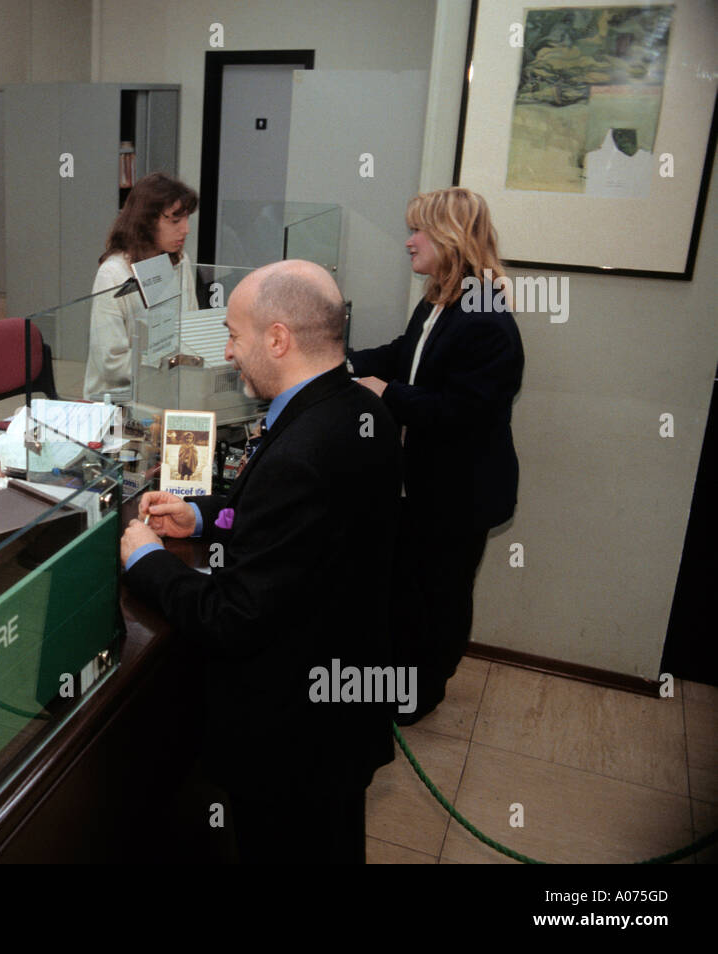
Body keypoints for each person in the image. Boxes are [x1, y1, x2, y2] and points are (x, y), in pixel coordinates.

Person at [121, 260, 401, 863]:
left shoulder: (302, 449)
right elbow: (295, 527)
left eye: (233, 334)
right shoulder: (358, 411)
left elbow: (234, 615)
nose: (227, 352)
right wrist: (203, 515)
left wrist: (147, 561)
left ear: (277, 338)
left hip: (293, 742)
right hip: (340, 716)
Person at [349, 187, 524, 725]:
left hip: (460, 492)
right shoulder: (438, 298)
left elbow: (464, 411)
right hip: (420, 483)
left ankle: (421, 693)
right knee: (408, 585)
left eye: (418, 231)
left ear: (449, 238)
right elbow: (406, 357)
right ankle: (398, 675)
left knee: (441, 594)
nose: (408, 242)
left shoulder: (487, 316)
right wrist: (343, 362)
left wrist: (387, 393)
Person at [83, 172, 199, 401]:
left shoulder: (179, 260)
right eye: (175, 221)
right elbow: (111, 363)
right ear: (146, 222)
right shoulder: (113, 273)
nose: (185, 229)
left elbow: (191, 328)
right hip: (119, 396)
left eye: (186, 219)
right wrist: (170, 363)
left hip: (169, 384)